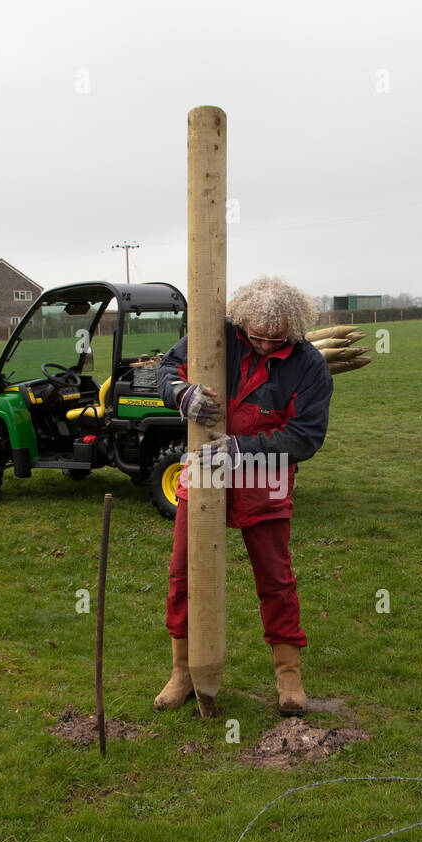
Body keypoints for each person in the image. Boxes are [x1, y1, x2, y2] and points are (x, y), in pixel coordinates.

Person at [154, 274, 333, 714]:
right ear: (242, 324)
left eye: (276, 341)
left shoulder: (309, 365)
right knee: (183, 575)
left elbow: (305, 436)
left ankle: (289, 678)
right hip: (203, 470)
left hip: (264, 476)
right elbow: (165, 370)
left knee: (275, 580)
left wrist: (241, 448)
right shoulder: (218, 337)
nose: (266, 347)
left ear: (293, 329)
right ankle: (181, 672)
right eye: (257, 338)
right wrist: (180, 393)